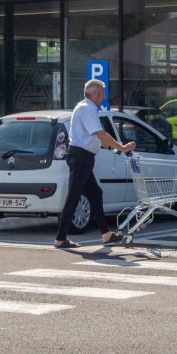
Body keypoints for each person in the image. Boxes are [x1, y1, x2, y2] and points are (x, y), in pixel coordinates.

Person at [55, 79, 135, 250]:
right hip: (81, 157)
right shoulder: (88, 109)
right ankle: (60, 238)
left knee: (95, 194)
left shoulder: (83, 106)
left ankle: (106, 234)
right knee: (74, 196)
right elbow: (100, 133)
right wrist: (121, 147)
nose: (104, 96)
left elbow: (95, 137)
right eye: (102, 93)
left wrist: (111, 146)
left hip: (83, 156)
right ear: (96, 94)